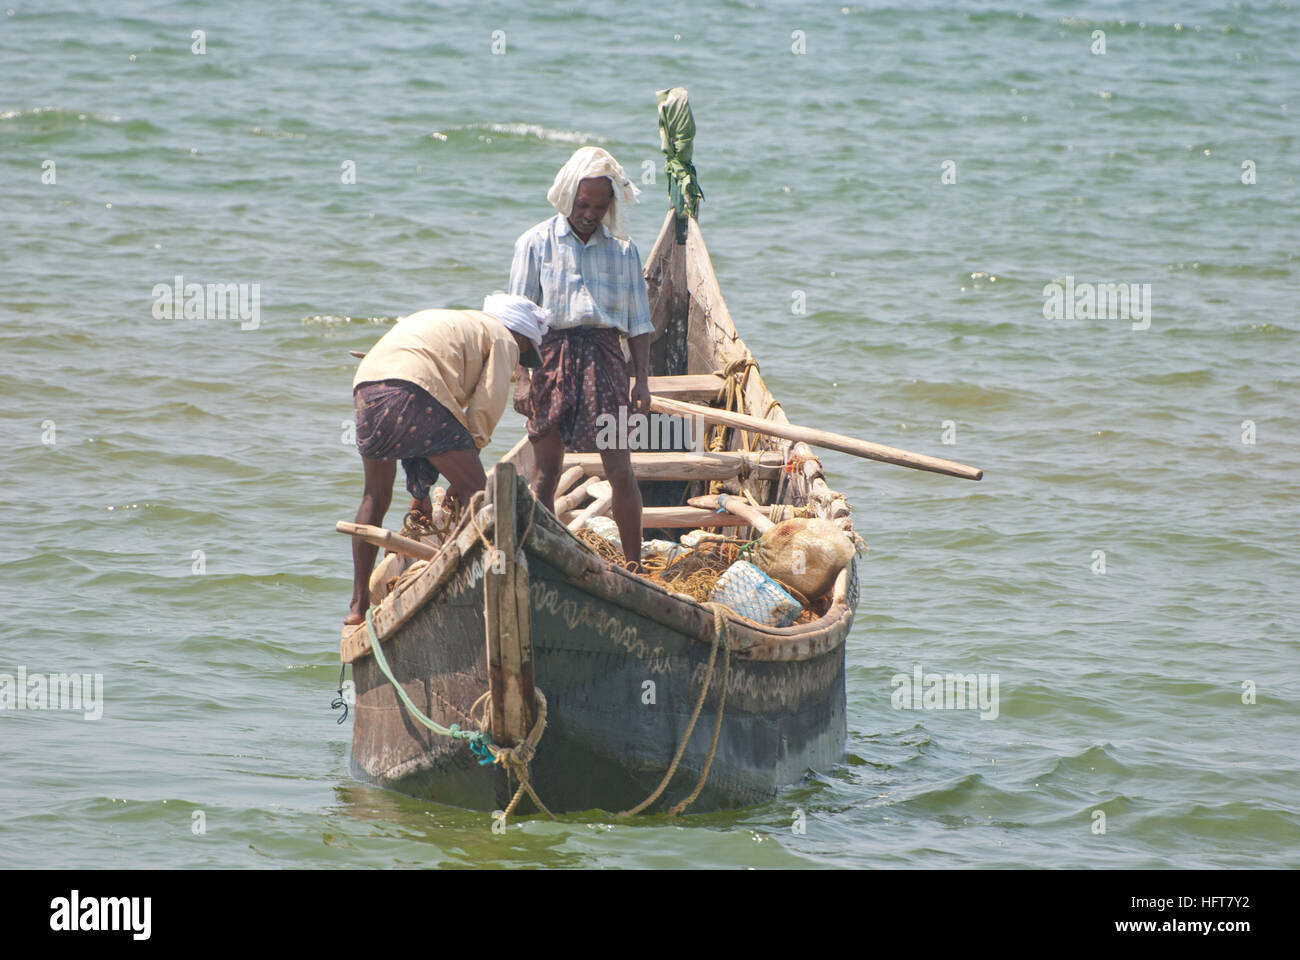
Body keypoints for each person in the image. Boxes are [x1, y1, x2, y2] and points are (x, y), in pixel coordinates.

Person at [345, 294, 550, 625]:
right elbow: (486, 405)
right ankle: (488, 591)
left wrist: (420, 493)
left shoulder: (456, 323)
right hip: (413, 389)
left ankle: (357, 607)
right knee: (480, 494)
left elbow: (421, 424)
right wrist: (465, 473)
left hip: (367, 387)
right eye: (525, 352)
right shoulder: (502, 336)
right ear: (522, 336)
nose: (519, 363)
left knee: (375, 497)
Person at [509, 146, 653, 571]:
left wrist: (641, 379)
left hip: (606, 360)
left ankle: (634, 564)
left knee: (620, 470)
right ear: (567, 196)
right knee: (545, 472)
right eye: (583, 204)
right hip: (549, 357)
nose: (590, 213)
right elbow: (518, 319)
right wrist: (520, 376)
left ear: (610, 206)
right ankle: (543, 559)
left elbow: (639, 323)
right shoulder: (535, 242)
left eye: (599, 206)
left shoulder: (623, 251)